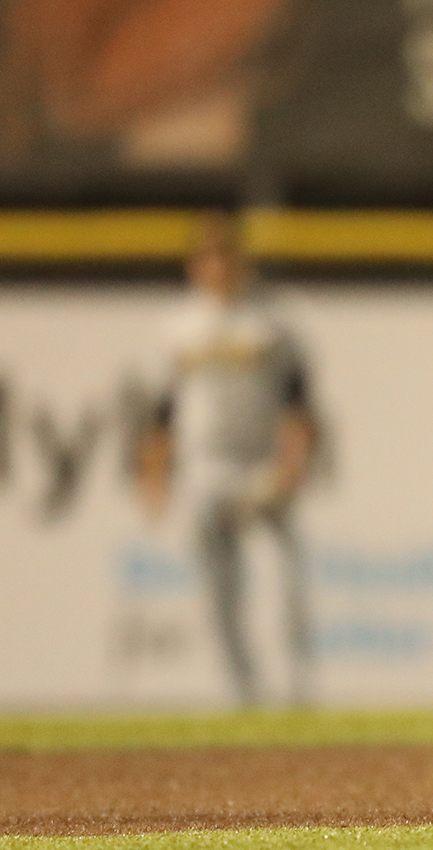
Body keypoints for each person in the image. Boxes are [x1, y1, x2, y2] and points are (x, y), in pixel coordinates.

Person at [137, 210, 319, 706]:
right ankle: (243, 697)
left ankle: (299, 690)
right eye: (207, 256)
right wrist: (155, 480)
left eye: (225, 255)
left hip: (260, 464)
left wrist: (292, 465)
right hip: (204, 468)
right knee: (220, 590)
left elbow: (298, 402)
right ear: (194, 266)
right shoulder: (176, 326)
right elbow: (159, 412)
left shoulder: (273, 320)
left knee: (285, 578)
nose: (217, 265)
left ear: (241, 261)